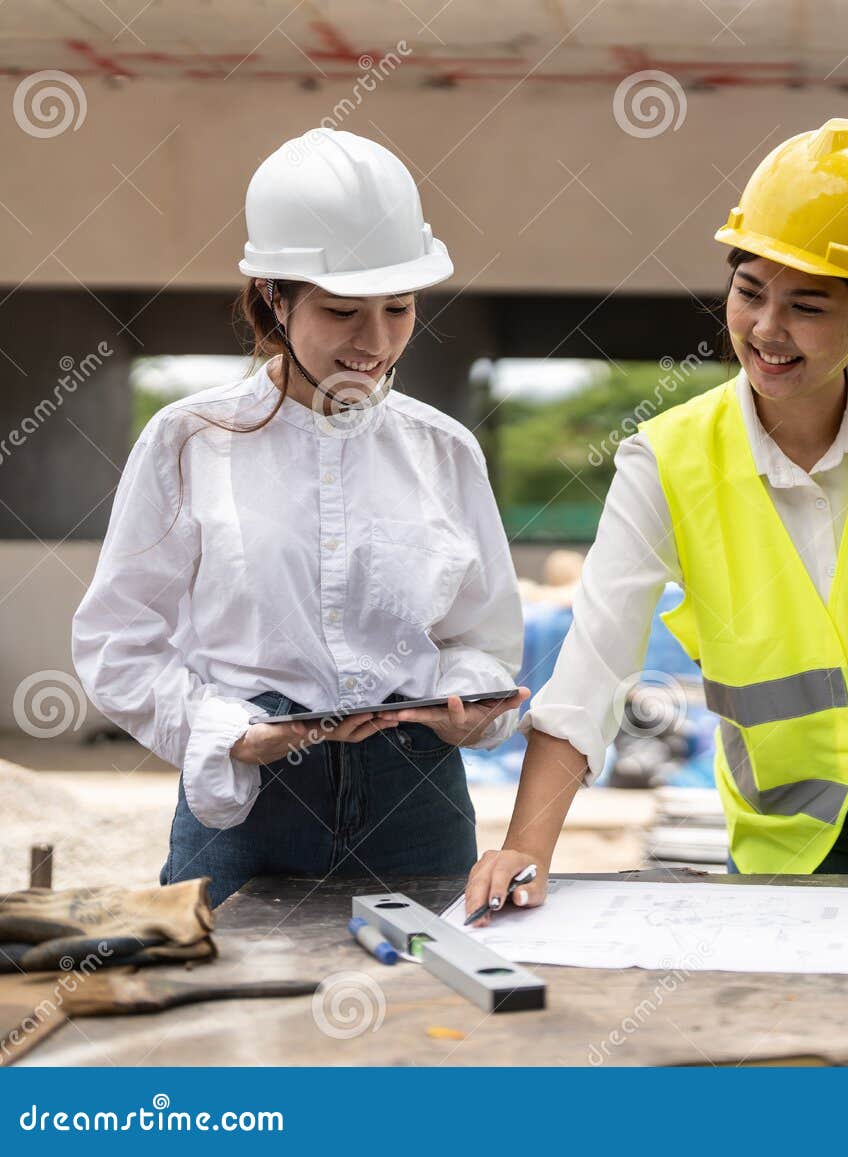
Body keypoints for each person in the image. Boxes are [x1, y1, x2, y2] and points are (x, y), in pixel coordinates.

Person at [465, 118, 848, 919]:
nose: (766, 330)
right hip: (782, 856)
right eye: (749, 292)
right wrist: (525, 851)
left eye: (807, 305)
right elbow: (590, 673)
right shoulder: (668, 458)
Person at [72, 129, 529, 906]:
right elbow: (117, 642)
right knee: (224, 1017)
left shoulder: (444, 451)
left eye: (400, 307)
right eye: (344, 309)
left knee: (426, 1014)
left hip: (417, 795)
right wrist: (230, 734)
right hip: (251, 801)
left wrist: (465, 705)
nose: (377, 342)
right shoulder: (190, 441)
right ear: (275, 299)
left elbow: (479, 638)